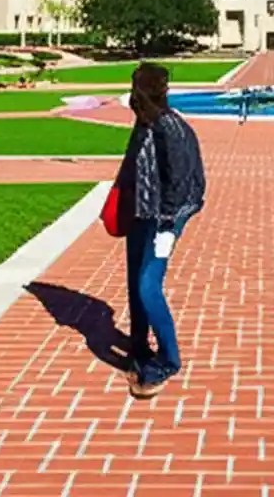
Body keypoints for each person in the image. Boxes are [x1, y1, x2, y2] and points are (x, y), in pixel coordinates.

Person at [115, 63, 206, 399]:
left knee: (147, 285)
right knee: (133, 280)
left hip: (165, 217)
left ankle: (168, 360)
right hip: (141, 212)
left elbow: (183, 184)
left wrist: (168, 226)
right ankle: (139, 345)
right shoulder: (145, 124)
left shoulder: (171, 128)